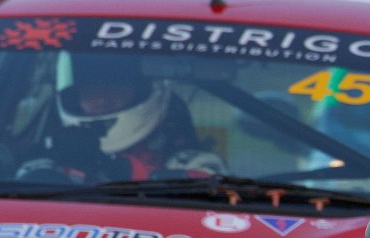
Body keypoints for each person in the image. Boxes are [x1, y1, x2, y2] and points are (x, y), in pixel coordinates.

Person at [20, 57, 223, 182]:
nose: (101, 99)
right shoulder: (51, 159)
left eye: (115, 86)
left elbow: (207, 197)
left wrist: (114, 169)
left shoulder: (193, 163)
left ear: (143, 89)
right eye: (89, 89)